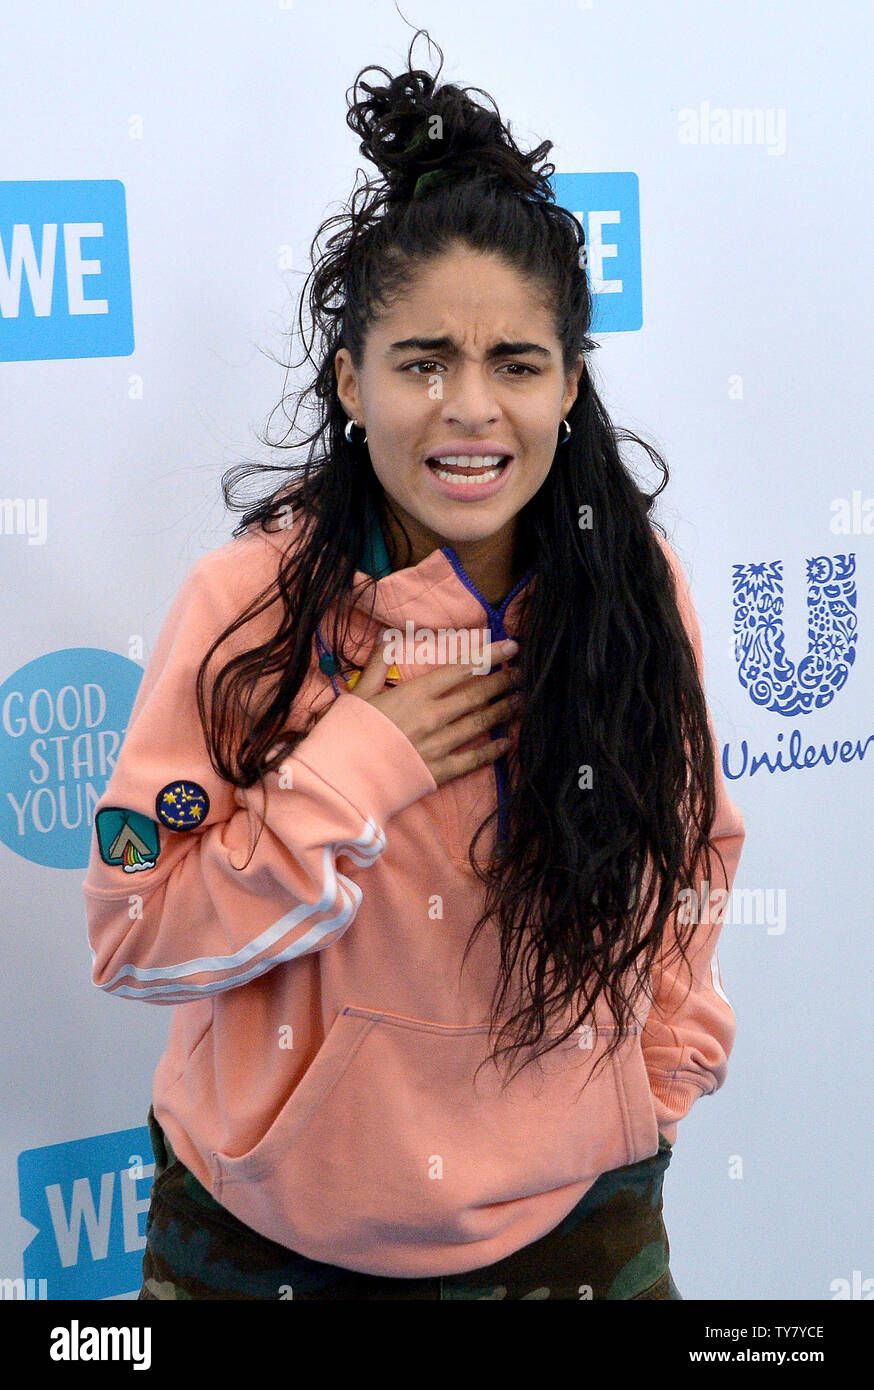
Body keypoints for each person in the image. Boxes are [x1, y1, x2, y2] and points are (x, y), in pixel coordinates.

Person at [82, 28, 746, 1301]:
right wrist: (353, 770)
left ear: (568, 386)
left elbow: (693, 849)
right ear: (351, 380)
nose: (469, 410)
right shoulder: (247, 609)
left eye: (514, 364)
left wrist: (654, 1080)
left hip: (583, 1228)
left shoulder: (629, 589)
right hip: (264, 1246)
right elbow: (133, 931)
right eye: (422, 363)